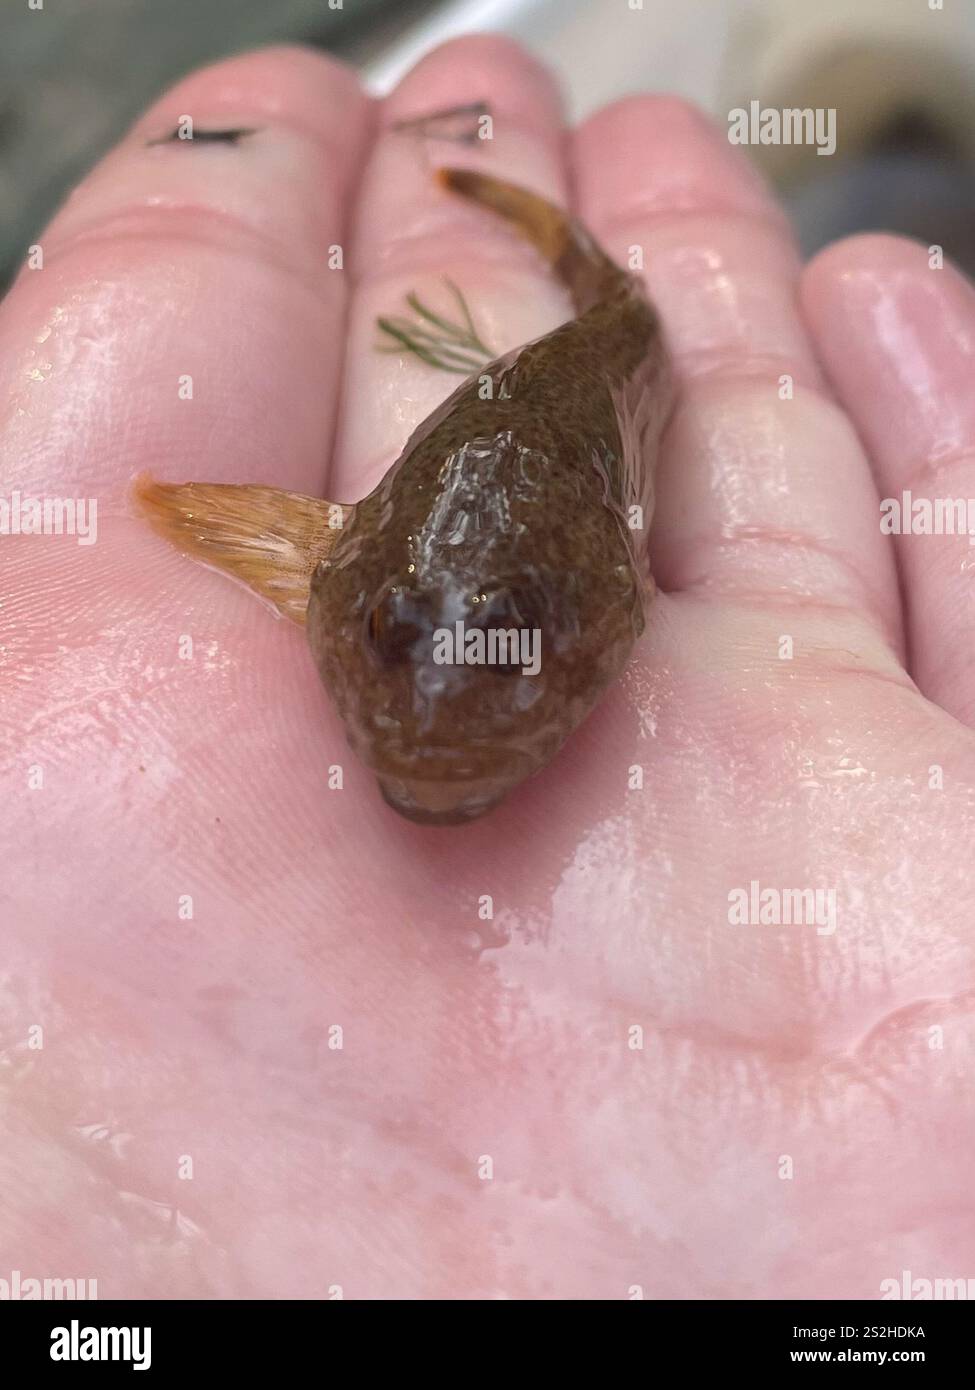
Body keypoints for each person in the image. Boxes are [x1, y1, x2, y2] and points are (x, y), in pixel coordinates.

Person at [1, 36, 973, 1299]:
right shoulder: (371, 563)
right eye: (394, 638)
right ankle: (910, 164)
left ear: (629, 600)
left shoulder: (606, 555)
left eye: (516, 649)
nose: (433, 720)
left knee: (652, 304)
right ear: (334, 572)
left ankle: (892, 161)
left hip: (575, 409)